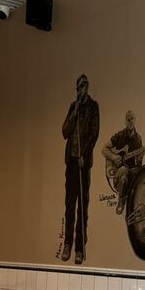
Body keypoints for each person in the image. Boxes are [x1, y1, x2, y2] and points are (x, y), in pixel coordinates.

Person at [61, 74, 99, 264]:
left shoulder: (93, 106)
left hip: (83, 163)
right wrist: (74, 112)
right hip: (71, 163)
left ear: (87, 86)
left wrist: (85, 153)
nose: (80, 89)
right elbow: (64, 132)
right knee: (69, 205)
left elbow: (94, 133)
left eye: (82, 86)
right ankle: (67, 243)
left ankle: (79, 247)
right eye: (77, 87)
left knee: (83, 207)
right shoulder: (73, 107)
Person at [102, 110, 144, 215]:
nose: (130, 121)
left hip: (132, 172)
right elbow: (104, 149)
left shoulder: (138, 139)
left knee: (143, 172)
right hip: (120, 174)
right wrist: (114, 157)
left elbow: (138, 164)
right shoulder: (119, 136)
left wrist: (139, 159)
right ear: (125, 122)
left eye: (132, 119)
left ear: (135, 120)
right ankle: (121, 201)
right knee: (123, 171)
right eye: (128, 120)